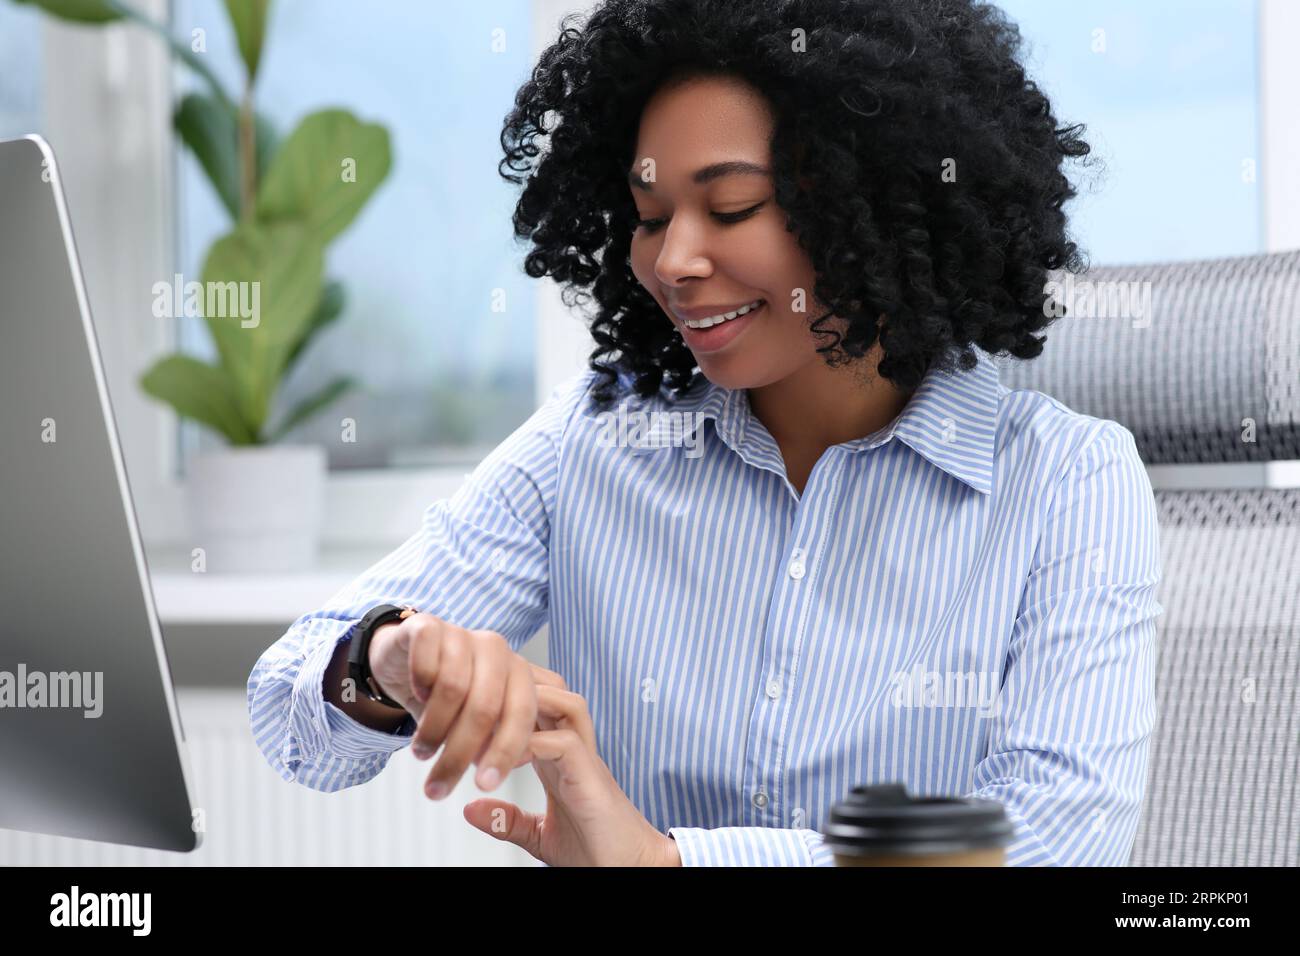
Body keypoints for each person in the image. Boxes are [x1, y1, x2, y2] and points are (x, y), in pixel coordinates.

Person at [249, 0, 1163, 866]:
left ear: (875, 206)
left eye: (730, 208)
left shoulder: (1070, 483)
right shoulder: (599, 437)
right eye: (649, 218)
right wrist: (385, 658)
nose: (674, 261)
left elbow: (1054, 843)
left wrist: (668, 860)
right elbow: (288, 712)